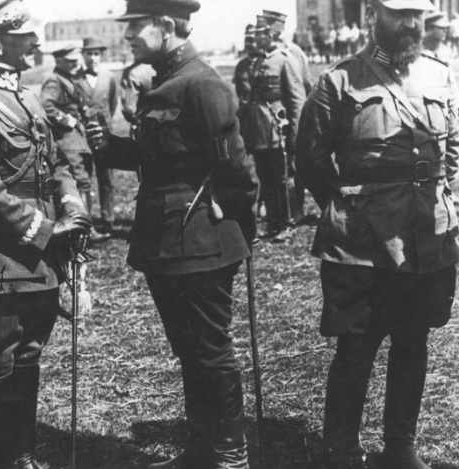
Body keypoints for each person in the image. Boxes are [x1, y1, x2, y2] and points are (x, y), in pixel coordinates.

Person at [85, 0, 259, 467]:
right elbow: (163, 159)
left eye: (136, 26)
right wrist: (110, 148)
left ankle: (230, 455)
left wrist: (239, 231)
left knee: (210, 349)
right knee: (188, 348)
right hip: (164, 240)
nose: (128, 36)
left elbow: (238, 170)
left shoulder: (202, 83)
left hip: (201, 240)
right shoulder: (163, 82)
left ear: (165, 25)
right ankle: (201, 449)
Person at [296, 0, 459, 466]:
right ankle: (342, 451)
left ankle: (400, 449)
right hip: (362, 242)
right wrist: (349, 206)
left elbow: (452, 149)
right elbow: (310, 158)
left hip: (425, 236)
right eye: (399, 13)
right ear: (373, 15)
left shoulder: (440, 75)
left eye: (417, 14)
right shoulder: (339, 82)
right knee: (357, 346)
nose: (410, 23)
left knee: (413, 340)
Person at [0, 0, 91, 467]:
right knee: (0, 363)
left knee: (29, 356)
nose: (35, 42)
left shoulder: (29, 100)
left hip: (40, 257)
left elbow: (55, 166)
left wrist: (72, 206)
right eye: (25, 35)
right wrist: (49, 230)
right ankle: (7, 461)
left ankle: (23, 457)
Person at [240, 11, 306, 241]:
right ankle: (274, 222)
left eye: (260, 33)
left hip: (278, 130)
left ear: (270, 34)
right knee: (266, 177)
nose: (255, 37)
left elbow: (297, 99)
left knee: (282, 177)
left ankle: (288, 223)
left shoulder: (286, 60)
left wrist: (295, 134)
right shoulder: (258, 60)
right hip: (259, 130)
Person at [41, 46, 109, 243]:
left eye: (75, 61)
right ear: (58, 61)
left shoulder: (69, 78)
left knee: (84, 182)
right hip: (67, 140)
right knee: (79, 182)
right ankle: (83, 230)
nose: (74, 64)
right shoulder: (55, 80)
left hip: (77, 139)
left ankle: (85, 227)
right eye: (69, 61)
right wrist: (66, 120)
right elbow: (46, 105)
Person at [76, 37, 119, 234]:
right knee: (84, 178)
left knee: (107, 178)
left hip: (104, 133)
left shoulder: (109, 76)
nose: (93, 58)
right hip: (83, 134)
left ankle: (108, 219)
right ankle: (86, 222)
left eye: (96, 54)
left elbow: (112, 103)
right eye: (89, 54)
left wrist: (104, 122)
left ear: (100, 55)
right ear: (83, 55)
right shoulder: (75, 77)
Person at [233, 24, 257, 112]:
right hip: (245, 113)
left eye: (251, 40)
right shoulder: (241, 66)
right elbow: (239, 92)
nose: (248, 44)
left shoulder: (267, 63)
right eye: (246, 40)